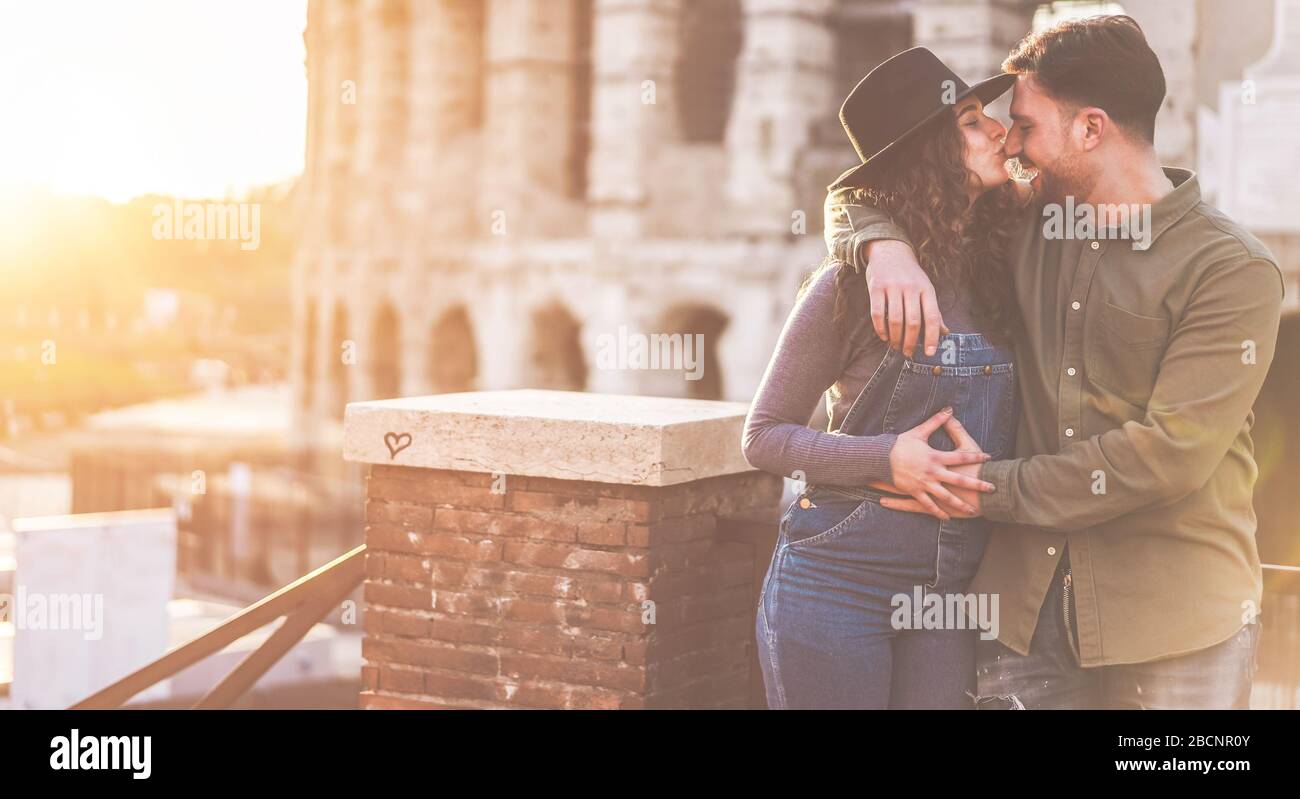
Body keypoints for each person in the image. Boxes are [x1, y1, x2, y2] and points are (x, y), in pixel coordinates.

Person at [827, 15, 1284, 709]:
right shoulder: (1020, 224)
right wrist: (878, 245)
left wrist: (981, 488)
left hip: (1182, 630)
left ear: (1091, 128)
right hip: (1023, 621)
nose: (1011, 141)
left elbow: (1168, 455)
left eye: (1028, 124)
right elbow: (870, 188)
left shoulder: (1231, 268)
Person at [742, 46, 1026, 709]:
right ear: (930, 152)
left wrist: (877, 235)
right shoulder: (847, 286)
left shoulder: (1005, 259)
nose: (1000, 131)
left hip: (947, 593)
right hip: (835, 583)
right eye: (972, 123)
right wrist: (886, 459)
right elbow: (762, 436)